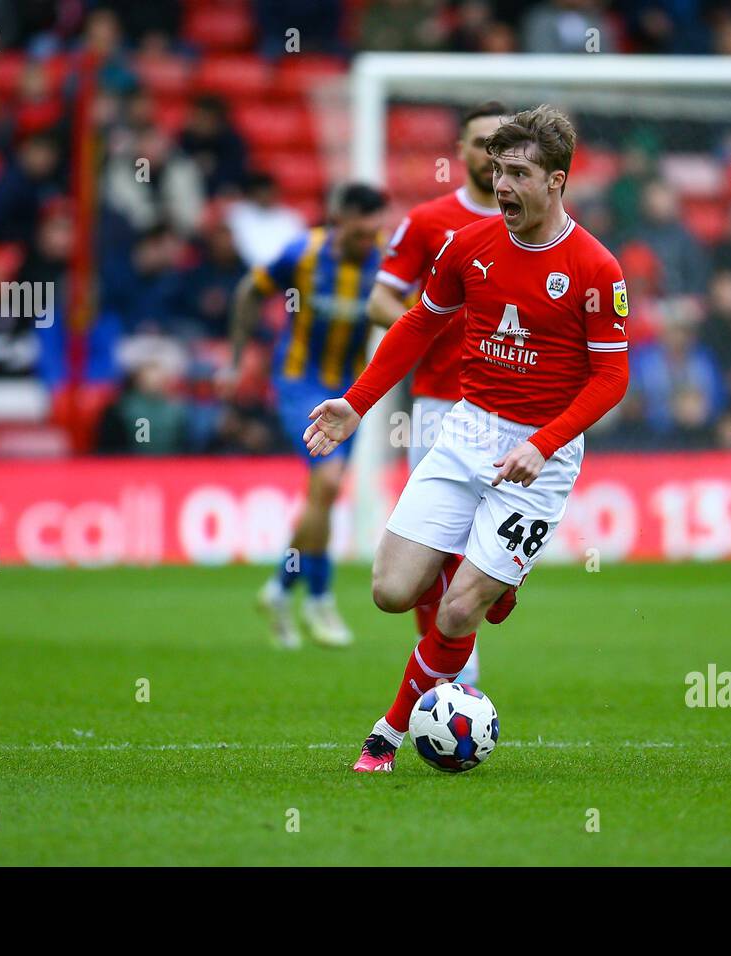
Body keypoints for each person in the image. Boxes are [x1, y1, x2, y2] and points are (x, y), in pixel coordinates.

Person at [303, 106, 630, 772]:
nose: (502, 185)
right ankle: (495, 577)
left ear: (558, 181)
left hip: (541, 455)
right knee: (392, 592)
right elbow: (419, 325)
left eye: (519, 173)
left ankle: (385, 737)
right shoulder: (468, 244)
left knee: (457, 613)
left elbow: (612, 377)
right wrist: (357, 405)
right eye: (498, 171)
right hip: (465, 431)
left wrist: (544, 443)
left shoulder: (596, 268)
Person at [367, 100, 507, 686]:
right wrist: (429, 324)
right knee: (431, 540)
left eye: (502, 143)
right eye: (479, 142)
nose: (490, 153)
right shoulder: (428, 221)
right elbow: (379, 300)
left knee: (484, 542)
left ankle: (478, 618)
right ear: (462, 151)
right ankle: (455, 669)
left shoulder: (531, 225)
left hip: (505, 410)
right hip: (435, 404)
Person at [231, 183, 388, 650]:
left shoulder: (385, 262)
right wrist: (237, 358)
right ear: (339, 220)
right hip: (300, 384)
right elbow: (248, 290)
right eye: (362, 232)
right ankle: (319, 598)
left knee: (323, 491)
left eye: (376, 231)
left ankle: (280, 587)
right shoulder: (302, 252)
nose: (370, 240)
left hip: (351, 392)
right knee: (327, 483)